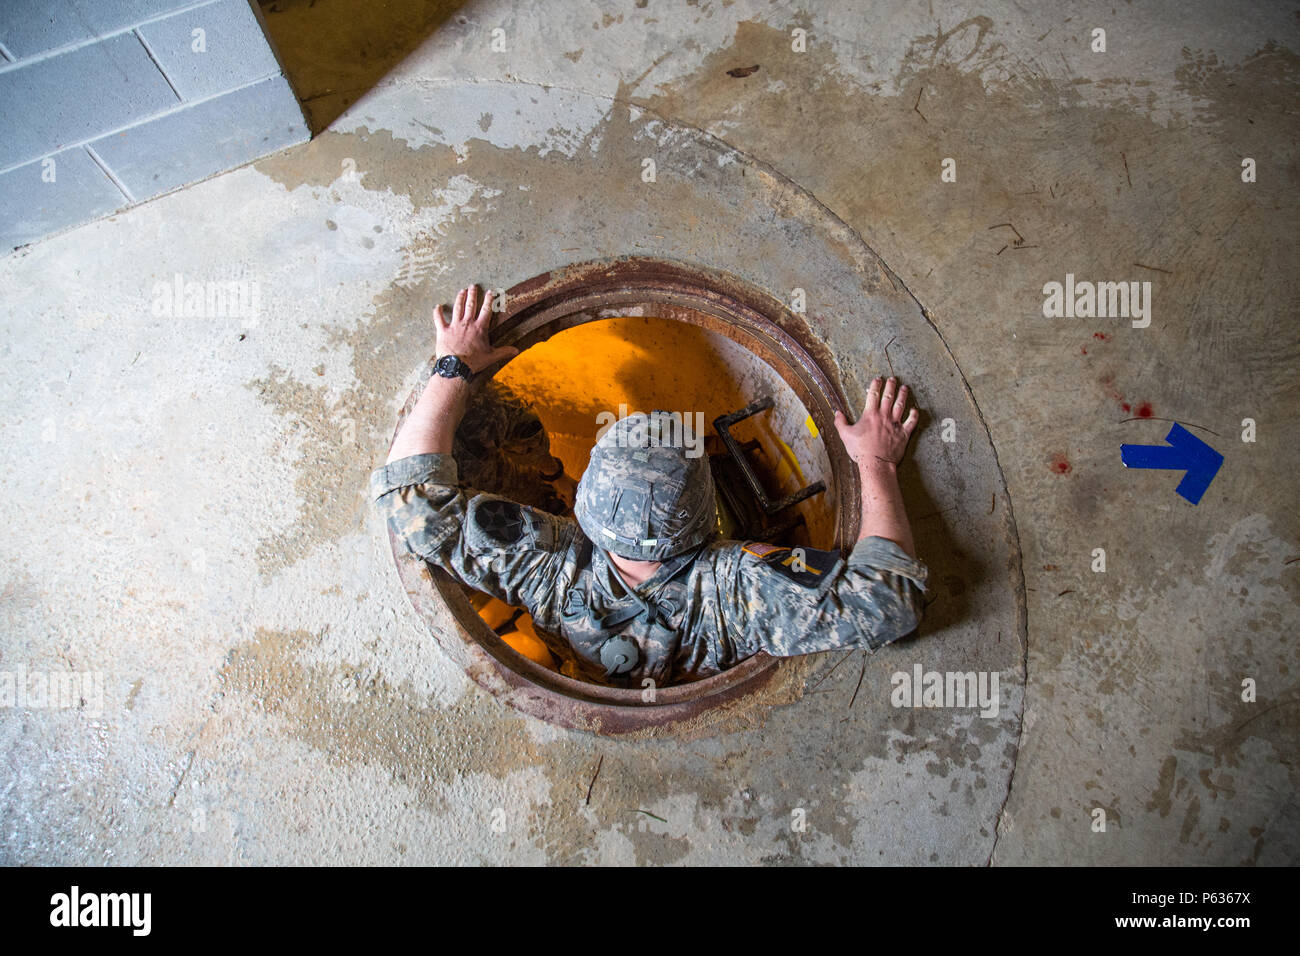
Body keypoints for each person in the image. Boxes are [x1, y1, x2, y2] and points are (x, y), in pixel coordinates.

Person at [370, 284, 929, 687]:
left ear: (585, 505)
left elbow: (410, 500)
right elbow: (888, 603)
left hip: (579, 670)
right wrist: (874, 462)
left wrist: (454, 365)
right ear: (708, 516)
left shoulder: (543, 568)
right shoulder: (739, 591)